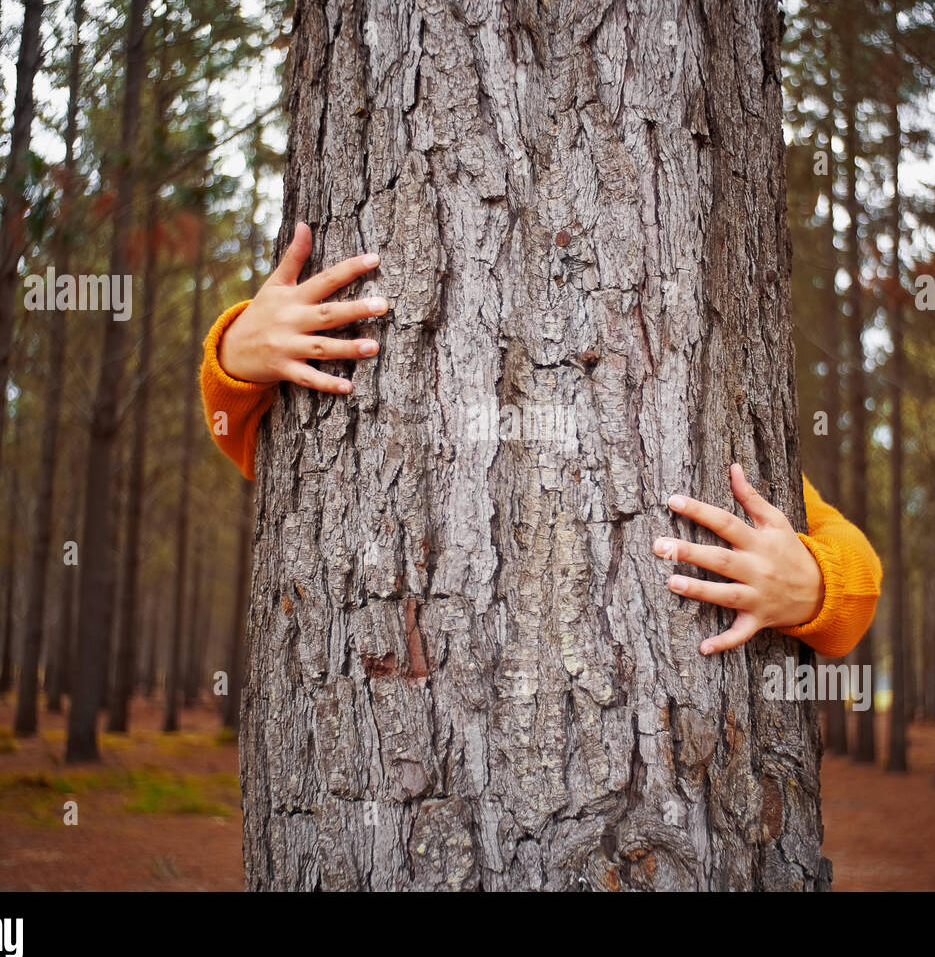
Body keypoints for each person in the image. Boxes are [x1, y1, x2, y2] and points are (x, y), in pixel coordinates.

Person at [201, 222, 882, 660]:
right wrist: (236, 354)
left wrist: (818, 586)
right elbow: (259, 443)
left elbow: (853, 564)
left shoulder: (727, 447)